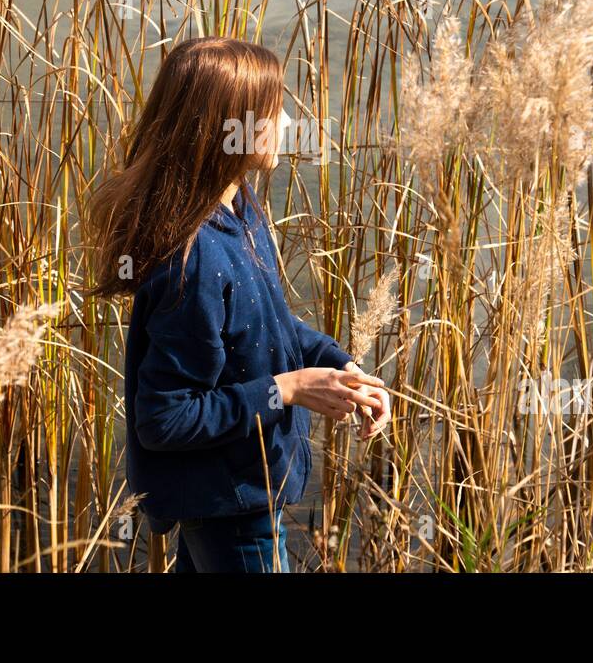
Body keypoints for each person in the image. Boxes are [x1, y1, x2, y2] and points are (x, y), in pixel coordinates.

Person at [86, 36, 391, 572]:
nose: (290, 120)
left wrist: (339, 365)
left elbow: (265, 324)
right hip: (232, 510)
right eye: (273, 110)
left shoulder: (240, 205)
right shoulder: (195, 258)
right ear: (228, 126)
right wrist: (289, 389)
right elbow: (163, 418)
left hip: (244, 493)